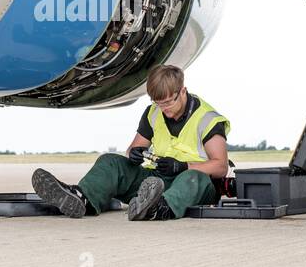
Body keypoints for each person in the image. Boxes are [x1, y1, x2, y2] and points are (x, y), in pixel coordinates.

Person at [32, 64, 230, 221]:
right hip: (157, 180)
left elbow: (220, 166)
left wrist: (183, 166)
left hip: (195, 185)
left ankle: (158, 209)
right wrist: (135, 154)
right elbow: (133, 148)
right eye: (158, 103)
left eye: (169, 102)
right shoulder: (154, 113)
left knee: (192, 178)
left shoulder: (207, 119)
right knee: (110, 161)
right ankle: (83, 198)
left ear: (183, 91)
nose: (164, 109)